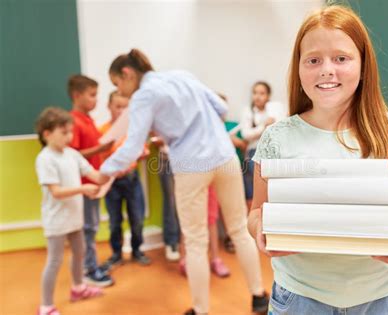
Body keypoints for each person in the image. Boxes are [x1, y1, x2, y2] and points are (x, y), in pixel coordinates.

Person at [247, 5, 388, 315]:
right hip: (299, 298)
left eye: (341, 58)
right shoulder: (276, 137)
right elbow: (256, 212)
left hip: (381, 298)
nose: (326, 69)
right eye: (313, 60)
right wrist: (260, 229)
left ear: (363, 64)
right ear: (299, 67)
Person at [99, 49, 269, 315]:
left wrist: (104, 171)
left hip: (191, 166)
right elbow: (222, 109)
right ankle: (259, 296)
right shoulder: (182, 76)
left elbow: (131, 147)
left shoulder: (144, 95)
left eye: (117, 84)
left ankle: (201, 310)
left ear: (127, 73)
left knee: (195, 240)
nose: (121, 91)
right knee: (239, 228)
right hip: (224, 157)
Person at [35, 107, 108, 315]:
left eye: (70, 132)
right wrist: (83, 189)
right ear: (47, 134)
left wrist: (113, 170)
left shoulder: (72, 154)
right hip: (57, 220)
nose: (69, 137)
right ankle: (46, 306)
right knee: (55, 260)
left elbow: (94, 175)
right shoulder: (45, 159)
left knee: (79, 253)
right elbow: (56, 191)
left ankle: (78, 288)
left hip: (74, 217)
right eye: (64, 132)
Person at [68, 75, 114, 287]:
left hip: (94, 182)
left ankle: (91, 264)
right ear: (77, 95)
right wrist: (100, 149)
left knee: (93, 225)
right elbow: (73, 155)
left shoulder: (88, 120)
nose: (95, 100)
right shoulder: (73, 121)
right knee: (88, 227)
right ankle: (89, 269)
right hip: (83, 184)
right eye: (92, 95)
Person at [99, 91, 151, 270]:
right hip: (112, 183)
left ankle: (137, 250)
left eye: (125, 107)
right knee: (114, 221)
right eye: (117, 106)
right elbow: (100, 156)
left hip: (132, 180)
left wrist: (142, 154)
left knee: (137, 218)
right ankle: (116, 254)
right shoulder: (103, 131)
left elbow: (142, 152)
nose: (121, 111)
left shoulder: (133, 131)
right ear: (109, 106)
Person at [240, 81, 275, 209]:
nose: (257, 96)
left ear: (268, 96)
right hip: (253, 153)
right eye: (255, 93)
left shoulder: (273, 111)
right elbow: (245, 134)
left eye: (262, 93)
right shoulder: (248, 112)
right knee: (255, 190)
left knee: (270, 189)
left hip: (271, 153)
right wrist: (263, 127)